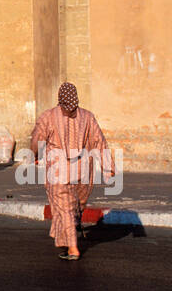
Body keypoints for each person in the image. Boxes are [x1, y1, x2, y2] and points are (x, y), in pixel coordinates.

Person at [29, 82, 112, 260]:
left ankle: (73, 247)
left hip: (58, 171)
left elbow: (36, 139)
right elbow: (99, 141)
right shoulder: (87, 117)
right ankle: (70, 236)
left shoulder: (48, 116)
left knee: (64, 208)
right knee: (72, 207)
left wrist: (35, 154)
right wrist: (108, 166)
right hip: (83, 171)